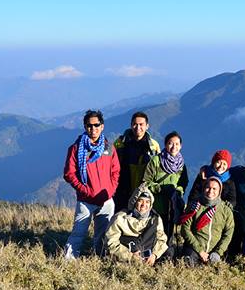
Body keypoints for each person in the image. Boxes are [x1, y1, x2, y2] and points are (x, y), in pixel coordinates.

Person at [62, 109, 120, 259]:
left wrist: (111, 190)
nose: (93, 129)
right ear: (85, 127)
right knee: (78, 232)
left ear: (102, 126)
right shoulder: (77, 148)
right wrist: (85, 190)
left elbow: (116, 171)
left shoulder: (109, 148)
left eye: (96, 125)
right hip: (86, 200)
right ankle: (69, 261)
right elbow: (69, 174)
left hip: (106, 200)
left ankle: (99, 258)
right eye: (89, 125)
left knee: (103, 233)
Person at [175, 176, 235, 266]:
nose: (211, 191)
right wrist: (200, 251)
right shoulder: (194, 206)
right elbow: (185, 229)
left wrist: (218, 252)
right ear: (204, 189)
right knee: (187, 265)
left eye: (214, 189)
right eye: (208, 188)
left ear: (220, 191)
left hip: (215, 251)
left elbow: (228, 233)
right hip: (194, 248)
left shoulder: (225, 210)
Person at [104, 188, 173, 265]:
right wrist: (131, 257)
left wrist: (154, 255)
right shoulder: (120, 218)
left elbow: (161, 239)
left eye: (147, 202)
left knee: (168, 252)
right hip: (126, 255)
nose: (144, 205)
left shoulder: (155, 219)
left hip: (147, 254)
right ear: (134, 201)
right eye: (140, 201)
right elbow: (110, 243)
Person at [141, 131, 189, 237]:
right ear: (165, 144)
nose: (173, 147)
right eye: (170, 143)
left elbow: (183, 183)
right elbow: (145, 182)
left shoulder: (181, 165)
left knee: (169, 232)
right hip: (156, 205)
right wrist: (161, 189)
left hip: (173, 205)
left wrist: (178, 191)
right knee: (155, 232)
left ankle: (168, 251)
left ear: (181, 146)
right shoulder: (156, 161)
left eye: (177, 144)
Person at [112, 111, 160, 210]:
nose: (138, 127)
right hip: (122, 190)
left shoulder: (153, 146)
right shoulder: (120, 143)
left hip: (143, 192)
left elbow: (157, 169)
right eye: (135, 124)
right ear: (131, 125)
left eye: (141, 124)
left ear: (147, 126)